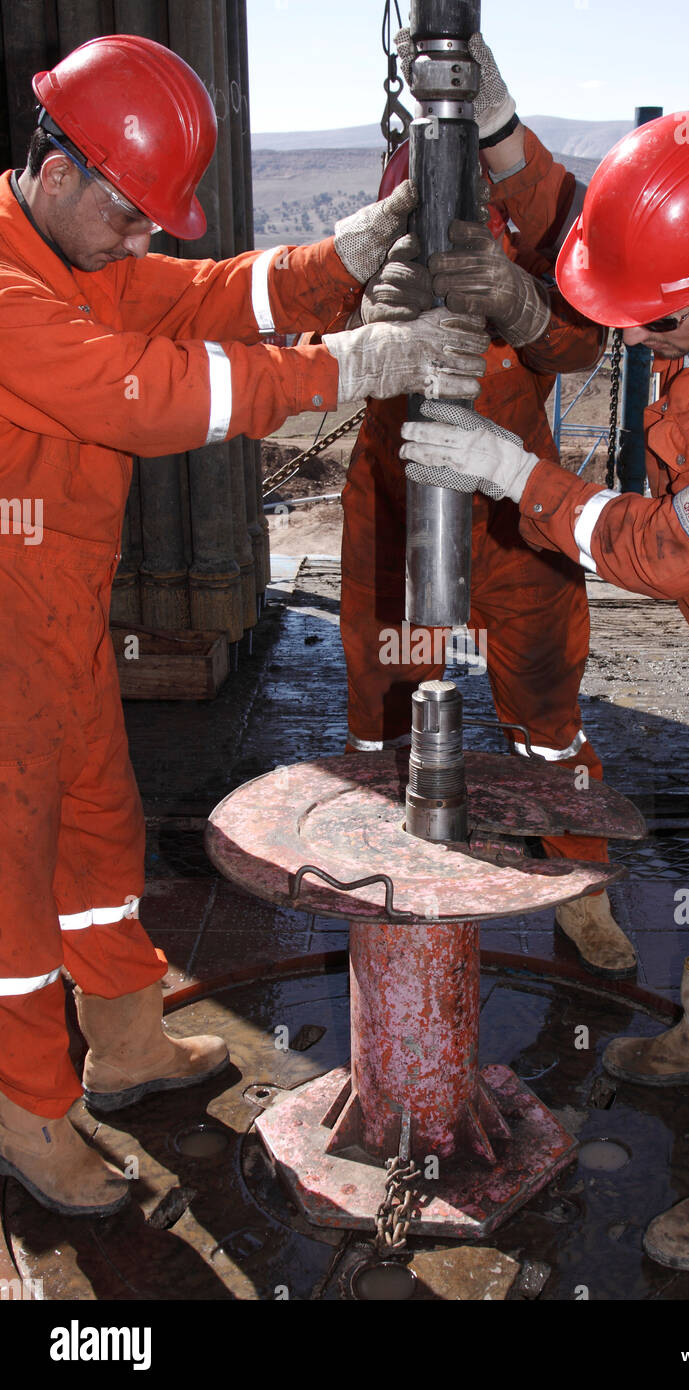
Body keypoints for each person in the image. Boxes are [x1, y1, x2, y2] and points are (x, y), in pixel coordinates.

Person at [0, 33, 487, 1219]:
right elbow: (154, 390)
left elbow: (209, 296)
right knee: (9, 893)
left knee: (98, 843)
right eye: (130, 211)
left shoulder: (80, 253)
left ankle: (122, 1045)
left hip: (52, 626)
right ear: (54, 166)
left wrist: (347, 258)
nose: (146, 237)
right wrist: (352, 364)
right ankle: (31, 1113)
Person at [399, 109, 689, 1270]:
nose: (637, 342)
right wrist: (499, 132)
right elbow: (597, 237)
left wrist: (515, 474)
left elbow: (659, 551)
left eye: (654, 323)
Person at [342, 30, 635, 974]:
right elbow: (301, 339)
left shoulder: (534, 238)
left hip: (514, 505)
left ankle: (576, 884)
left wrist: (520, 304)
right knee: (383, 701)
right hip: (395, 506)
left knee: (547, 711)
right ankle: (383, 875)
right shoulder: (379, 256)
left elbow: (584, 346)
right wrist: (363, 319)